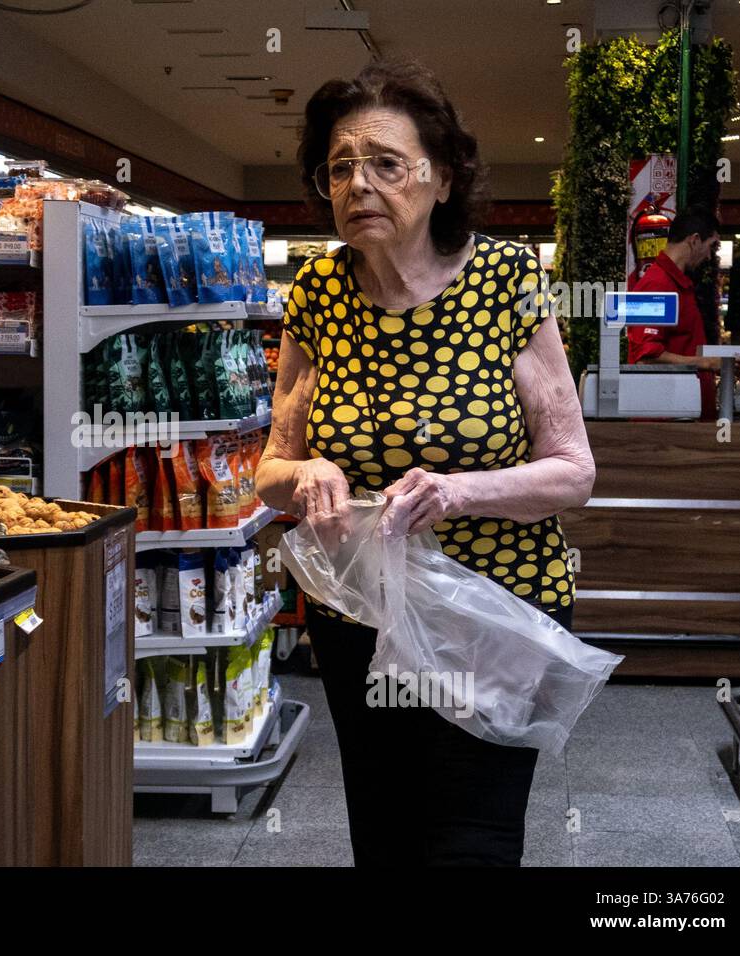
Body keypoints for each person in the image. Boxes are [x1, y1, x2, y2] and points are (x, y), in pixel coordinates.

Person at [254, 59, 596, 867]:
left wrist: (459, 490)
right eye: (340, 167)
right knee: (383, 831)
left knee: (471, 839)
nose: (359, 184)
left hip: (494, 611)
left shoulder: (507, 282)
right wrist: (305, 477)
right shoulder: (317, 295)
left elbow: (573, 470)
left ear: (441, 179)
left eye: (385, 163)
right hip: (360, 619)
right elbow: (271, 466)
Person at [626, 205, 722, 420]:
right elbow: (647, 358)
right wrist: (706, 363)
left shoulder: (677, 284)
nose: (708, 256)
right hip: (666, 427)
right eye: (711, 246)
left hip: (680, 417)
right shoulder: (656, 285)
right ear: (694, 240)